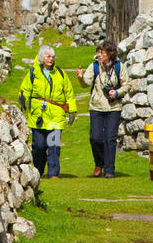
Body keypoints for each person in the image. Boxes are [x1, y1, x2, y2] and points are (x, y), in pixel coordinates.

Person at [18, 45, 78, 179]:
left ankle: (53, 174)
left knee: (54, 146)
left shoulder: (60, 73)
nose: (51, 59)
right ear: (41, 58)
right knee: (38, 146)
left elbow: (69, 93)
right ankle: (38, 171)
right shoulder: (33, 73)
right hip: (38, 115)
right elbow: (25, 89)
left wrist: (72, 111)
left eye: (52, 56)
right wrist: (23, 99)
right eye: (48, 56)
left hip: (56, 116)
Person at [76, 40, 126, 178]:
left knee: (110, 139)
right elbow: (86, 83)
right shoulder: (94, 67)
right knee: (95, 138)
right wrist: (80, 77)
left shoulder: (119, 67)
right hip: (96, 106)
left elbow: (127, 85)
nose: (99, 54)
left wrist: (117, 93)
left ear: (110, 54)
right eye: (98, 52)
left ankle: (109, 169)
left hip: (113, 107)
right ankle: (99, 163)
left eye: (102, 52)